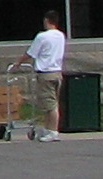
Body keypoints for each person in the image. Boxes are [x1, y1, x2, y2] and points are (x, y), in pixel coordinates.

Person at [9, 12, 67, 141]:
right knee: (50, 103)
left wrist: (18, 63)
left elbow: (31, 53)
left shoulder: (42, 36)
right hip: (57, 72)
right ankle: (48, 129)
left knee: (50, 105)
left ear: (47, 20)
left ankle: (53, 132)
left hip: (45, 73)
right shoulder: (61, 36)